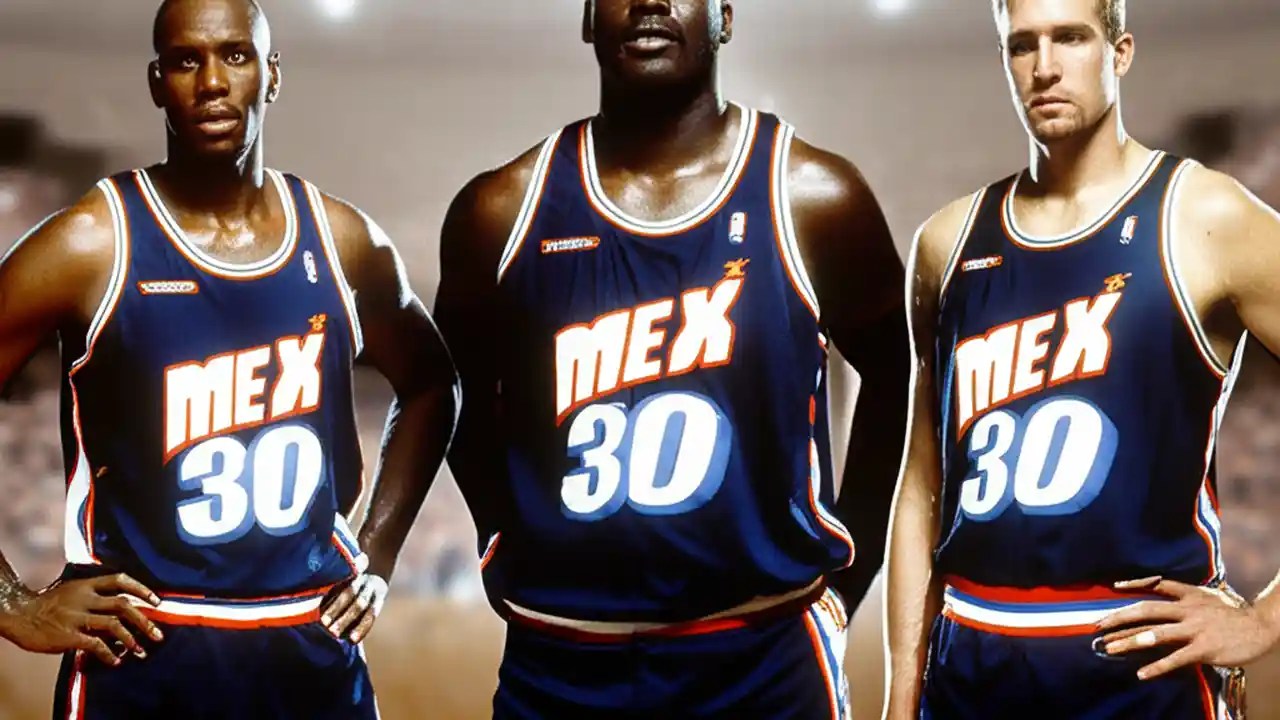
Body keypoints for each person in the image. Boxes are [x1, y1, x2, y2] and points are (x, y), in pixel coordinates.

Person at [434, 0, 908, 717]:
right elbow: (449, 391)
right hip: (559, 660)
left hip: (763, 658)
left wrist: (856, 565)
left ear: (725, 14)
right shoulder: (500, 211)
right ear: (590, 17)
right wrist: (499, 529)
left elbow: (896, 374)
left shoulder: (814, 197)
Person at [0, 0, 459, 717]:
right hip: (146, 653)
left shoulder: (342, 243)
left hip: (309, 650)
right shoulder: (92, 244)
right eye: (186, 60)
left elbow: (433, 385)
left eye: (235, 56)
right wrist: (13, 604)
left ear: (271, 76)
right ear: (157, 82)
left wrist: (377, 552)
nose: (212, 81)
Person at [884, 0, 1280, 717]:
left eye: (1071, 37)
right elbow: (921, 486)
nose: (1045, 67)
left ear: (1120, 52)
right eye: (1022, 45)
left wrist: (1265, 620)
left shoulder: (1203, 217)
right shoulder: (948, 242)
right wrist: (899, 699)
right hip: (972, 659)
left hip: (1138, 666)